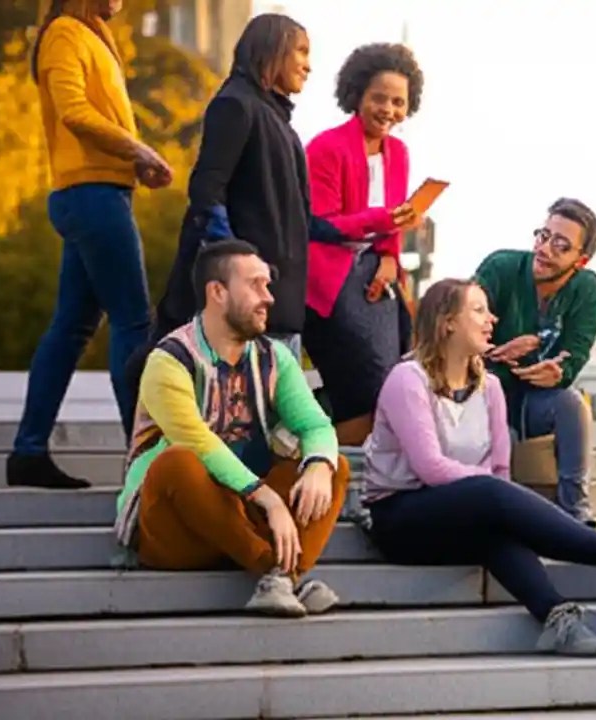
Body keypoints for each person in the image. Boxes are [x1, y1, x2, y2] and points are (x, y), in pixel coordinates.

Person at [362, 278, 596, 657]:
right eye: (478, 310)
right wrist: (492, 492)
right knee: (491, 496)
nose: (492, 319)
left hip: (465, 510)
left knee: (496, 526)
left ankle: (557, 618)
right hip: (400, 516)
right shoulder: (407, 379)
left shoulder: (489, 387)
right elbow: (432, 470)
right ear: (447, 322)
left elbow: (500, 471)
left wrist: (495, 498)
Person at [114, 240, 350, 617]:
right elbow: (200, 442)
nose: (269, 297)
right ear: (218, 292)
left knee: (334, 465)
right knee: (180, 461)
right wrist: (268, 499)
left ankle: (275, 580)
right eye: (256, 285)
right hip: (175, 529)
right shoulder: (168, 361)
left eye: (268, 285)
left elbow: (315, 424)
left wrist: (319, 463)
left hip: (242, 519)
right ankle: (282, 572)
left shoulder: (275, 358)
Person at [7, 0, 174, 489]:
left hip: (100, 191)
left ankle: (29, 453)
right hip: (89, 195)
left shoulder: (94, 32)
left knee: (72, 327)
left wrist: (132, 162)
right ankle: (143, 458)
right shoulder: (63, 32)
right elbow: (74, 111)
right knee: (133, 322)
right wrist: (137, 148)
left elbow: (96, 115)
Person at [150, 13, 343, 361]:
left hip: (278, 305)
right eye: (301, 51)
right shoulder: (235, 104)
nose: (308, 66)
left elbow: (299, 218)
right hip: (244, 310)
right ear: (274, 49)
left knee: (274, 411)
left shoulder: (279, 122)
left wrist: (371, 226)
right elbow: (207, 191)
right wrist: (242, 262)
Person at [303, 42, 426, 446]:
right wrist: (384, 221)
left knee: (397, 374)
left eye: (398, 101)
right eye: (379, 98)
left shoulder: (400, 152)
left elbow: (394, 217)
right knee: (370, 382)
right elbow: (321, 223)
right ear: (356, 95)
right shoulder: (326, 147)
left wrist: (390, 256)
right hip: (328, 277)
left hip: (375, 270)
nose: (388, 109)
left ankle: (324, 441)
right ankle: (312, 443)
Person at [474, 198, 596, 524]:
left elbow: (575, 352)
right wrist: (492, 348)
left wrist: (557, 369)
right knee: (498, 424)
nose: (545, 249)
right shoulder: (501, 268)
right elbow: (460, 324)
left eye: (561, 245)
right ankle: (495, 511)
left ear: (581, 260)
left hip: (535, 400)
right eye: (543, 236)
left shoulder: (588, 290)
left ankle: (575, 513)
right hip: (481, 391)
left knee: (571, 403)